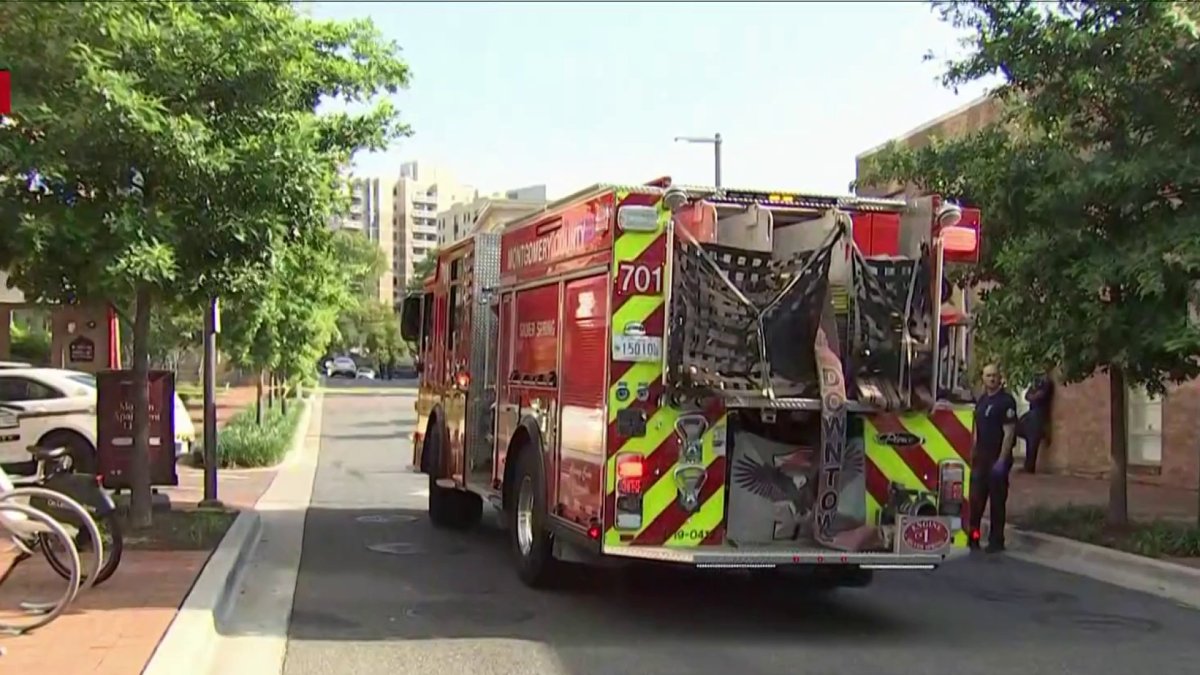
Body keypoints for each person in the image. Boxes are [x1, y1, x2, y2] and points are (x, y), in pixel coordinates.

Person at [968, 363, 1018, 553]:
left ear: (1000, 378)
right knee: (976, 501)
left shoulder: (1006, 402)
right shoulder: (981, 401)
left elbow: (1009, 432)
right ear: (983, 378)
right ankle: (974, 538)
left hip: (997, 458)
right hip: (981, 458)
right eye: (988, 376)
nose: (991, 379)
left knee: (997, 502)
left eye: (994, 375)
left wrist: (1002, 460)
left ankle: (997, 541)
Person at [1020, 365, 1055, 474]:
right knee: (1017, 427)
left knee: (1032, 440)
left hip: (1040, 414)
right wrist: (1033, 395)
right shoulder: (1036, 382)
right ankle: (1027, 464)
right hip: (1032, 413)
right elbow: (1027, 395)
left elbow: (1040, 396)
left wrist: (1033, 395)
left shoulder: (1047, 383)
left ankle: (1029, 466)